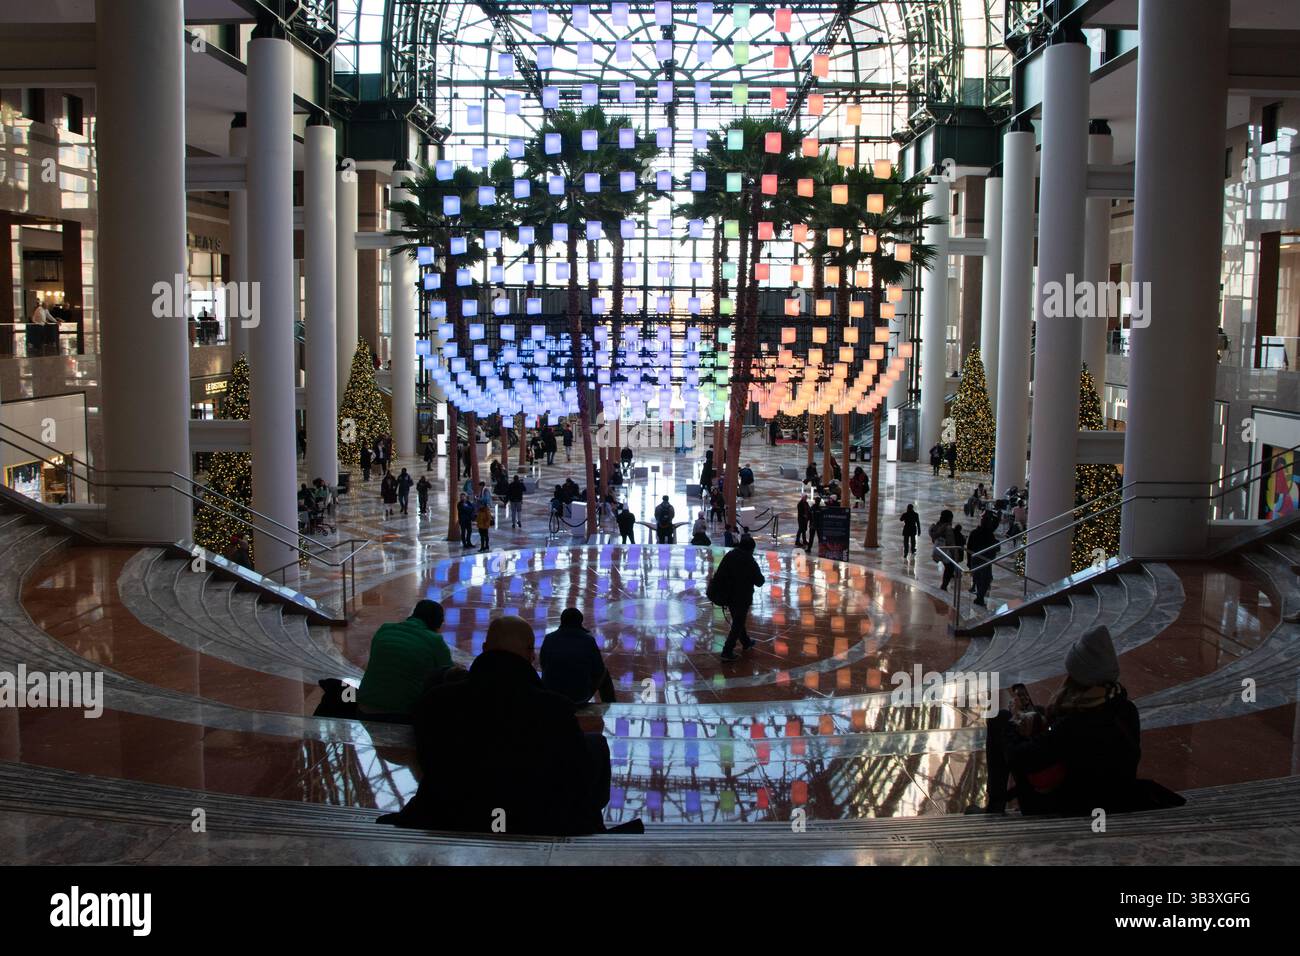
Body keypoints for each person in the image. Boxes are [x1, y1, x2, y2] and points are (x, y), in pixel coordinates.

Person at [383, 615, 615, 836]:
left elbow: (426, 762)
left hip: (450, 811)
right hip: (535, 817)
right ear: (530, 655)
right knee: (596, 745)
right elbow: (575, 772)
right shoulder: (554, 708)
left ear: (484, 648)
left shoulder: (435, 702)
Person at [978, 626, 1143, 816]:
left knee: (1002, 721)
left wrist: (1015, 721)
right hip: (1114, 800)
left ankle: (995, 805)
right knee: (1011, 718)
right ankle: (996, 803)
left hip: (1071, 807)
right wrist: (1037, 718)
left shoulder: (1076, 723)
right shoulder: (1125, 709)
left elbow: (1019, 757)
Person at [356, 600, 452, 721]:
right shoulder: (435, 641)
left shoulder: (384, 630)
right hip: (403, 711)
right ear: (437, 623)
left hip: (365, 705)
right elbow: (449, 678)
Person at [540, 608, 617, 705]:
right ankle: (611, 706)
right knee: (604, 673)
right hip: (579, 697)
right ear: (580, 622)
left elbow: (543, 664)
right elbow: (598, 669)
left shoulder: (549, 638)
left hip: (552, 695)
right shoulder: (588, 640)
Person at [709, 534, 766, 662]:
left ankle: (745, 642)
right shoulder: (749, 560)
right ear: (751, 549)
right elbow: (759, 581)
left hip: (729, 596)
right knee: (738, 623)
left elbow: (719, 575)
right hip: (742, 597)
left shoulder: (730, 555)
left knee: (737, 619)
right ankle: (727, 650)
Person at [967, 510, 999, 607]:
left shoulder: (975, 533)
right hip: (984, 560)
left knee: (979, 579)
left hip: (977, 559)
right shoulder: (989, 534)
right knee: (984, 579)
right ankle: (980, 598)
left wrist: (969, 561)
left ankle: (979, 597)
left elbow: (969, 548)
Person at [930, 509, 957, 590]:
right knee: (950, 567)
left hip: (937, 549)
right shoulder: (948, 528)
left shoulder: (938, 525)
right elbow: (950, 542)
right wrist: (955, 554)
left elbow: (933, 538)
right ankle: (944, 586)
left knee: (947, 566)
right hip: (945, 550)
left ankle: (944, 585)